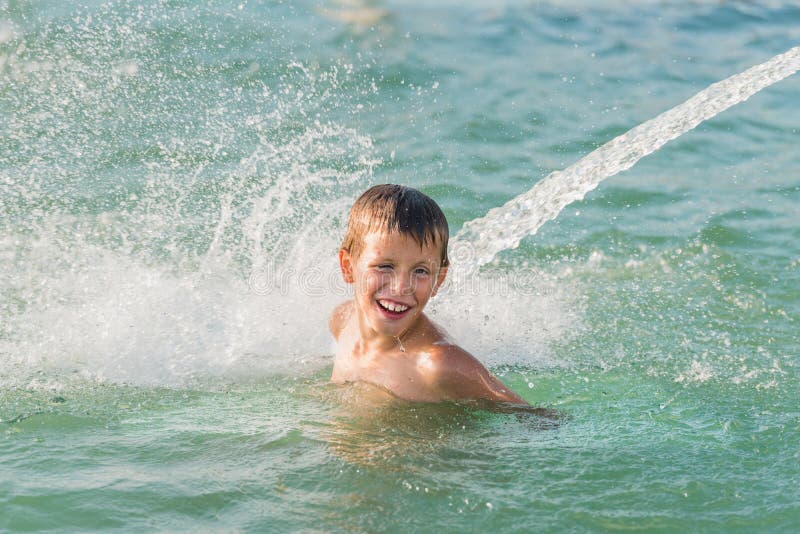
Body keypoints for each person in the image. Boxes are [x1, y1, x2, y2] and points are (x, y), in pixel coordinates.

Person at [329, 184, 528, 404]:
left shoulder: (438, 366)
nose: (401, 287)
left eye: (420, 271)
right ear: (348, 266)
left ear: (438, 279)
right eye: (385, 266)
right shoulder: (343, 320)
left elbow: (534, 418)